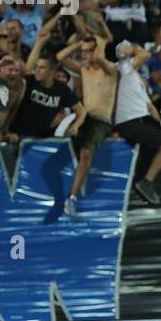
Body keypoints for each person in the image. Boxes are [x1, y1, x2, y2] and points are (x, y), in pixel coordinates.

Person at [57, 34, 118, 216]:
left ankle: (72, 198)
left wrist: (101, 42)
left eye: (87, 51)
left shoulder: (111, 70)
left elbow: (100, 58)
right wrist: (78, 43)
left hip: (101, 121)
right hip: (84, 117)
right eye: (81, 52)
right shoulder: (83, 70)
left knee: (85, 154)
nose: (83, 55)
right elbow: (60, 57)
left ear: (97, 50)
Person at [114, 41, 161, 205]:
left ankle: (142, 179)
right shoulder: (124, 67)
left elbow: (150, 107)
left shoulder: (137, 77)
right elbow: (146, 55)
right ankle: (146, 182)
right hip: (131, 120)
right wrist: (133, 50)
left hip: (141, 118)